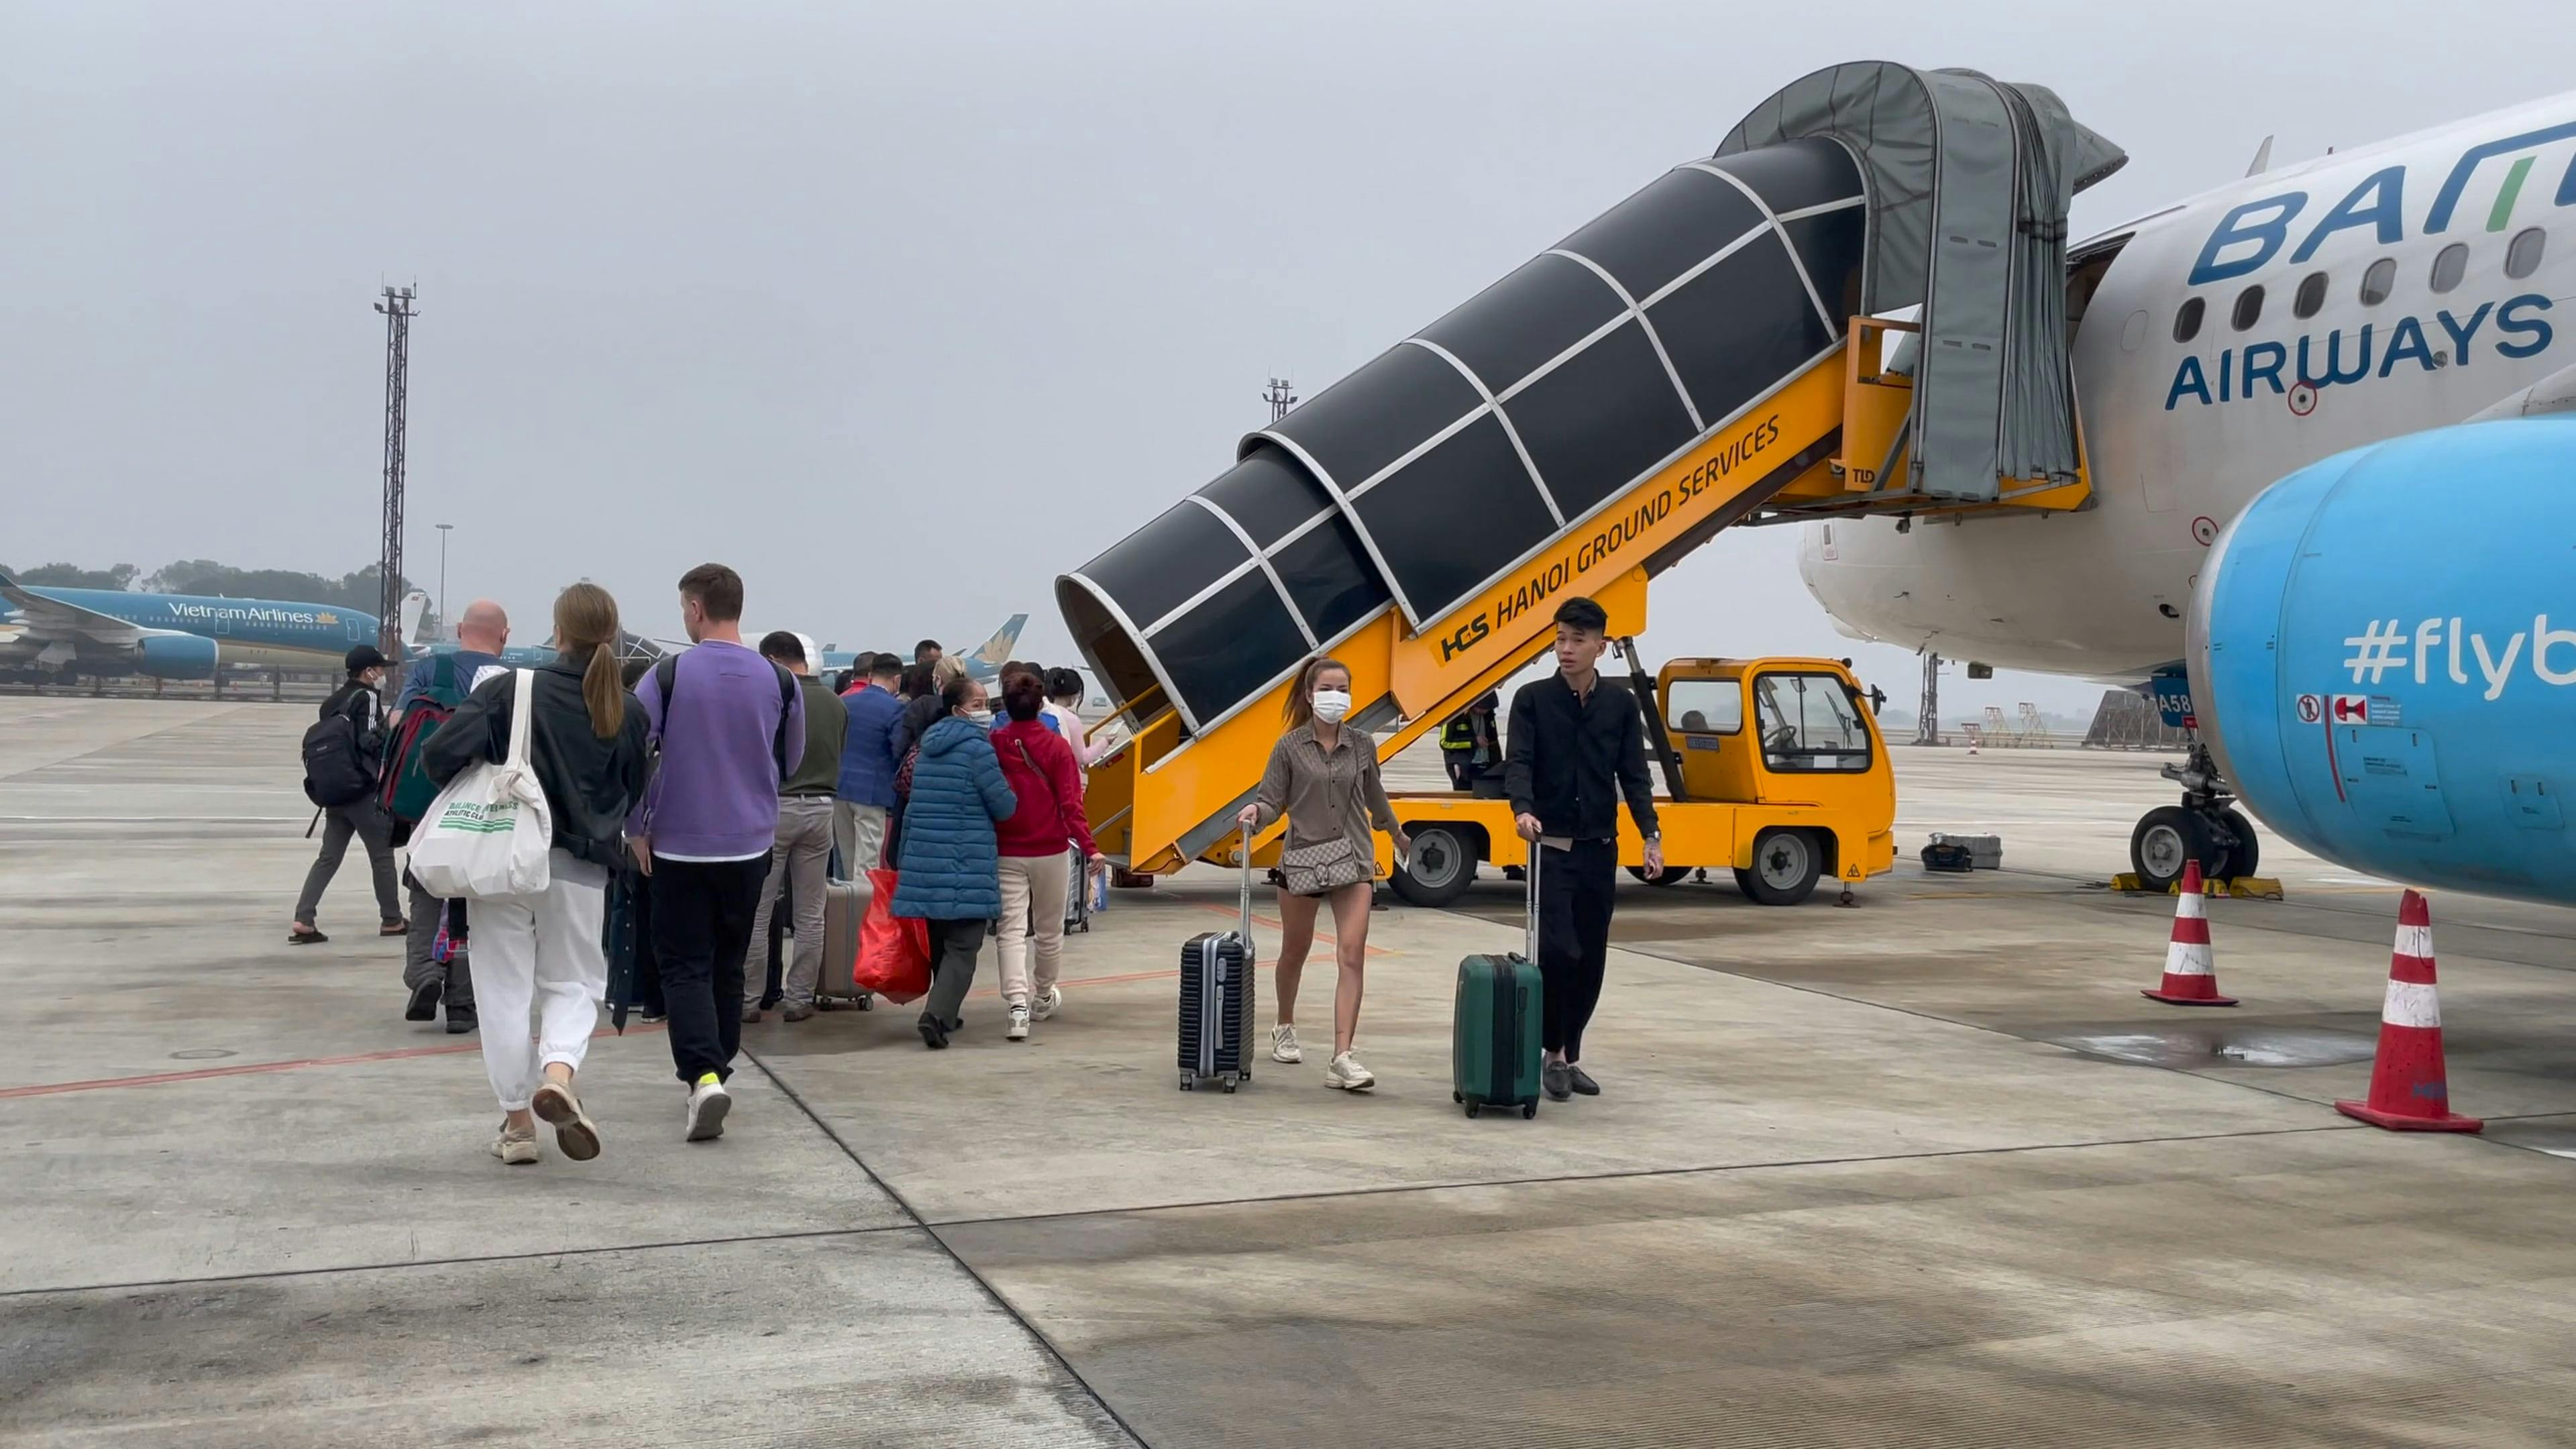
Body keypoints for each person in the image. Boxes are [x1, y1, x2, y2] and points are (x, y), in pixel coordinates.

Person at [422, 583, 651, 1166]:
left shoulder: (511, 690)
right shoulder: (629, 709)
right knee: (573, 985)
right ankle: (559, 1074)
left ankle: (519, 1125)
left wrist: (492, 767)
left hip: (506, 863)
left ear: (557, 630)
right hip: (583, 869)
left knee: (503, 993)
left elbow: (437, 755)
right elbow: (632, 793)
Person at [628, 564, 804, 1142]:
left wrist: (636, 827)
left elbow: (634, 752)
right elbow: (792, 759)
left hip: (679, 844)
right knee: (730, 960)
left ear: (696, 609)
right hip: (750, 842)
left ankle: (703, 1074)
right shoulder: (780, 681)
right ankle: (718, 1066)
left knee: (683, 964)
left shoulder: (668, 674)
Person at [1505, 596, 1661, 1104]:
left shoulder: (1620, 705)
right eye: (1560, 640)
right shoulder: (1532, 700)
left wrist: (1651, 834)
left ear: (1601, 645)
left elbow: (1634, 776)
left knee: (1591, 956)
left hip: (1599, 849)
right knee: (1559, 951)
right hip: (1549, 848)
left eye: (1576, 641)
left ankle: (1570, 1055)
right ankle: (1551, 1053)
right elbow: (1520, 762)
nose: (1566, 650)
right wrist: (1522, 809)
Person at [1237, 657, 1407, 1092]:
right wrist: (1258, 813)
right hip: (1305, 858)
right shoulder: (1290, 747)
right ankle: (1284, 1024)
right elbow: (1273, 800)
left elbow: (1375, 795)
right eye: (1327, 689)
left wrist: (1398, 832)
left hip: (1353, 859)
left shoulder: (1363, 745)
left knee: (1352, 953)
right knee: (1296, 949)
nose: (1336, 697)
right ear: (1310, 696)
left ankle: (1342, 1056)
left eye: (1343, 689)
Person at [395, 599, 511, 1033]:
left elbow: (397, 722)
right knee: (473, 902)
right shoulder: (509, 680)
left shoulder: (430, 671)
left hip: (432, 803)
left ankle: (424, 973)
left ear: (461, 629)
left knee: (425, 890)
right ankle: (462, 1002)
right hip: (486, 810)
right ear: (505, 635)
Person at [891, 674, 1015, 1049]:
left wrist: (902, 858)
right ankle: (935, 1014)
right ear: (958, 709)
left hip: (925, 861)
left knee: (941, 943)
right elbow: (1004, 806)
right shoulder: (979, 751)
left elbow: (911, 808)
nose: (985, 711)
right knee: (964, 947)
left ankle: (946, 1011)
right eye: (978, 705)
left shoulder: (926, 749)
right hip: (967, 862)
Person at [741, 631, 849, 1024]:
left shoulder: (775, 699)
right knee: (810, 912)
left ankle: (748, 1000)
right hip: (822, 808)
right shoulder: (837, 704)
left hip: (775, 809)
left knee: (758, 909)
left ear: (772, 659)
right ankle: (799, 998)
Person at [991, 671, 1106, 1041]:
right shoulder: (1056, 747)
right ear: (1042, 704)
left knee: (1010, 929)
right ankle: (1042, 995)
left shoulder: (995, 742)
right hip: (1051, 848)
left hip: (1006, 848)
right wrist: (1090, 848)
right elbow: (1072, 805)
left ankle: (1016, 1006)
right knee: (1049, 929)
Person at [289, 645, 404, 945]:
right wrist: (389, 728)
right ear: (368, 672)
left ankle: (304, 917)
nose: (382, 675)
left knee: (328, 857)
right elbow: (368, 742)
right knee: (381, 855)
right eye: (379, 669)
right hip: (361, 791)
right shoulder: (366, 697)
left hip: (335, 792)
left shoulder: (332, 702)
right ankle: (392, 919)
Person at [835, 652, 905, 876]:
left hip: (840, 787)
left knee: (846, 858)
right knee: (867, 862)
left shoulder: (845, 702)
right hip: (873, 792)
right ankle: (863, 909)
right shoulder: (895, 709)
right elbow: (898, 750)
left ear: (871, 675)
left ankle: (845, 906)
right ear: (897, 680)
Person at [1438, 692, 1501, 791]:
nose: (1483, 712)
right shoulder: (1454, 716)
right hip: (1462, 766)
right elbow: (1444, 743)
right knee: (1464, 795)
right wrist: (1473, 742)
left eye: (1486, 709)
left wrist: (1499, 765)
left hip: (1486, 766)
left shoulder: (1488, 716)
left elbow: (1494, 742)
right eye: (1481, 708)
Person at [1041, 667, 1094, 767]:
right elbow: (1082, 758)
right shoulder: (1072, 720)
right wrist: (1106, 742)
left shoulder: (1043, 711)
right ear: (1073, 695)